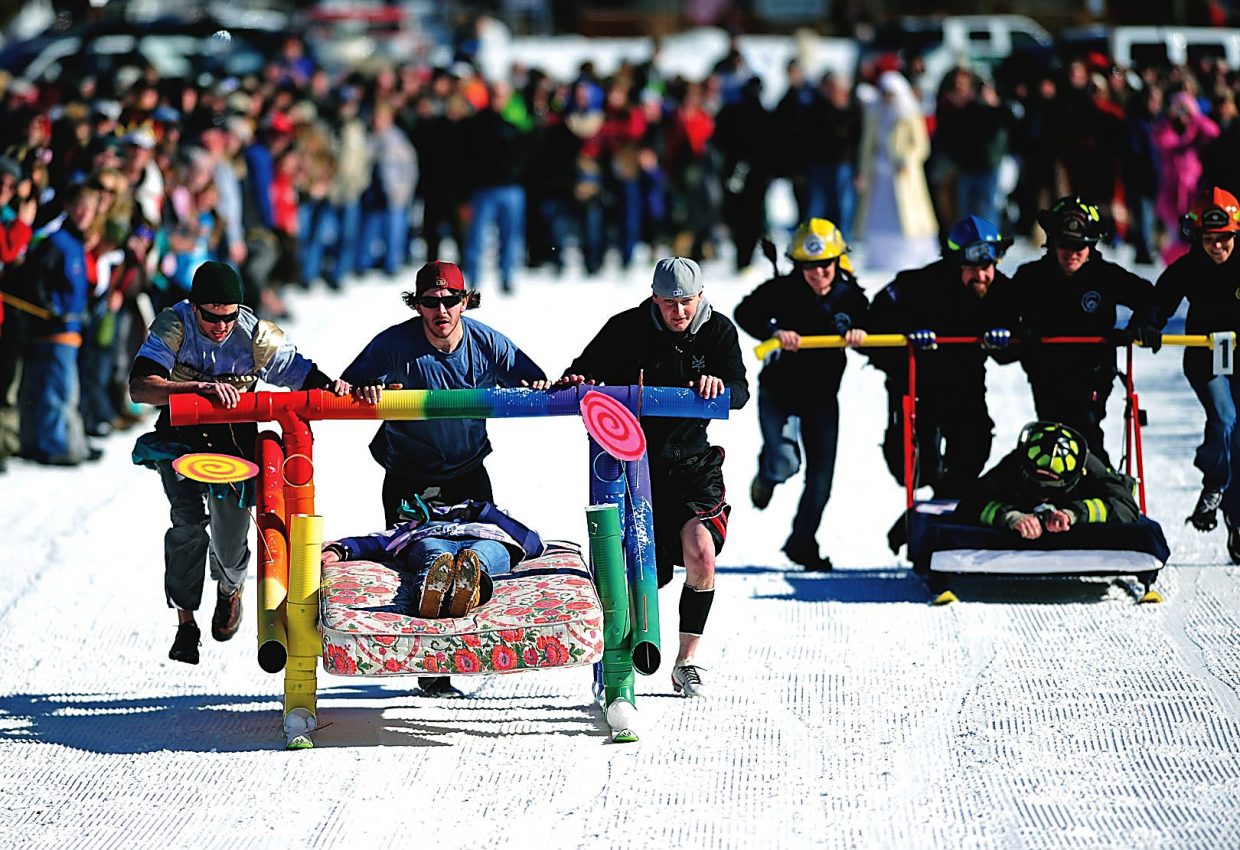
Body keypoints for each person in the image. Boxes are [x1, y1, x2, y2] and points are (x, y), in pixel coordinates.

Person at [129, 261, 351, 665]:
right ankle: (185, 624)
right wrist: (196, 387)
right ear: (195, 307)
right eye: (211, 317)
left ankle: (230, 590)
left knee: (231, 545)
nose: (220, 326)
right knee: (186, 524)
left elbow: (300, 374)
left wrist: (331, 386)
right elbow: (140, 387)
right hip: (180, 442)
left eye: (229, 317)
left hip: (233, 450)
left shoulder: (254, 334)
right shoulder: (174, 325)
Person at [340, 259, 546, 695]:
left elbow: (537, 381)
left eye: (450, 300)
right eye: (430, 302)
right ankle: (432, 671)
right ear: (416, 306)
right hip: (407, 476)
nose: (441, 311)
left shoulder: (487, 343)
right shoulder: (393, 345)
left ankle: (466, 644)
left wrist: (550, 387)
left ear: (465, 301)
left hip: (467, 473)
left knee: (485, 552)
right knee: (419, 561)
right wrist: (364, 391)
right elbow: (342, 388)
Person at [557, 257, 750, 698]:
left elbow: (740, 391)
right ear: (653, 298)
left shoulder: (719, 331)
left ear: (700, 297)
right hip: (633, 468)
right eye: (668, 303)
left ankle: (687, 662)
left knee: (702, 554)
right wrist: (578, 378)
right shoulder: (625, 328)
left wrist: (718, 385)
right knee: (645, 575)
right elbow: (582, 371)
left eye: (686, 303)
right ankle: (616, 660)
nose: (678, 313)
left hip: (692, 466)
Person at [733, 218, 868, 570]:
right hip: (779, 392)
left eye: (825, 265)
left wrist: (858, 333)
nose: (818, 273)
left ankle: (802, 543)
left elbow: (873, 321)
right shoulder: (781, 290)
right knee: (785, 462)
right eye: (809, 266)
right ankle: (767, 476)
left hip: (822, 399)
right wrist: (773, 330)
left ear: (838, 261)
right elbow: (744, 313)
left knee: (821, 481)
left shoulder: (850, 295)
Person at [866, 215, 1018, 498]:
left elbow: (1024, 339)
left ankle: (943, 509)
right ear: (954, 263)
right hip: (915, 386)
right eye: (972, 269)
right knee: (914, 469)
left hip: (964, 387)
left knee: (972, 451)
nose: (982, 277)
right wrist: (906, 336)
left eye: (987, 267)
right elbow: (871, 327)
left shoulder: (1002, 291)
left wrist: (1006, 341)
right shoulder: (918, 286)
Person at [1132, 186, 1240, 558]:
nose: (1218, 248)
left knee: (1238, 439)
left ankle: (1236, 519)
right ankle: (1214, 484)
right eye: (1209, 240)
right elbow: (1160, 300)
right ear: (1198, 238)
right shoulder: (1190, 266)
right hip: (1204, 355)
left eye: (1225, 239)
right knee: (1225, 420)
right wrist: (1148, 323)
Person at [1011, 196, 1154, 468]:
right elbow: (1001, 310)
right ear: (1051, 241)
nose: (1072, 253)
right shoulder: (1030, 278)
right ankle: (1055, 495)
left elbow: (1150, 298)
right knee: (1050, 438)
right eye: (1064, 244)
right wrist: (1018, 332)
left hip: (1092, 373)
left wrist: (1141, 325)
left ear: (1092, 246)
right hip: (1045, 372)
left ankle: (1112, 489)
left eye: (1080, 246)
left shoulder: (1104, 276)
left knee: (1082, 435)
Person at [320, 497, 544, 619]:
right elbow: (377, 541)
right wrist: (341, 549)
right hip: (433, 539)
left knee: (479, 556)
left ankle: (470, 591)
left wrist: (485, 512)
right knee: (437, 556)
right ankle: (428, 595)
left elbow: (533, 544)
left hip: (487, 538)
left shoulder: (492, 522)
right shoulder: (417, 525)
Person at [13, 179, 101, 466]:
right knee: (57, 391)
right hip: (53, 332)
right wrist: (48, 307)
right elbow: (34, 279)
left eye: (89, 208)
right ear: (67, 207)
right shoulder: (56, 241)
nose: (83, 213)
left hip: (71, 331)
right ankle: (52, 445)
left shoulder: (78, 244)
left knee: (64, 390)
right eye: (78, 207)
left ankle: (62, 440)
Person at [955, 420, 1140, 537]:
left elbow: (1126, 506)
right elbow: (971, 501)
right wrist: (1011, 516)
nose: (1042, 497)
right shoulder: (1016, 463)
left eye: (1051, 487)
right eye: (1036, 485)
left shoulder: (1091, 471)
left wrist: (1073, 514)